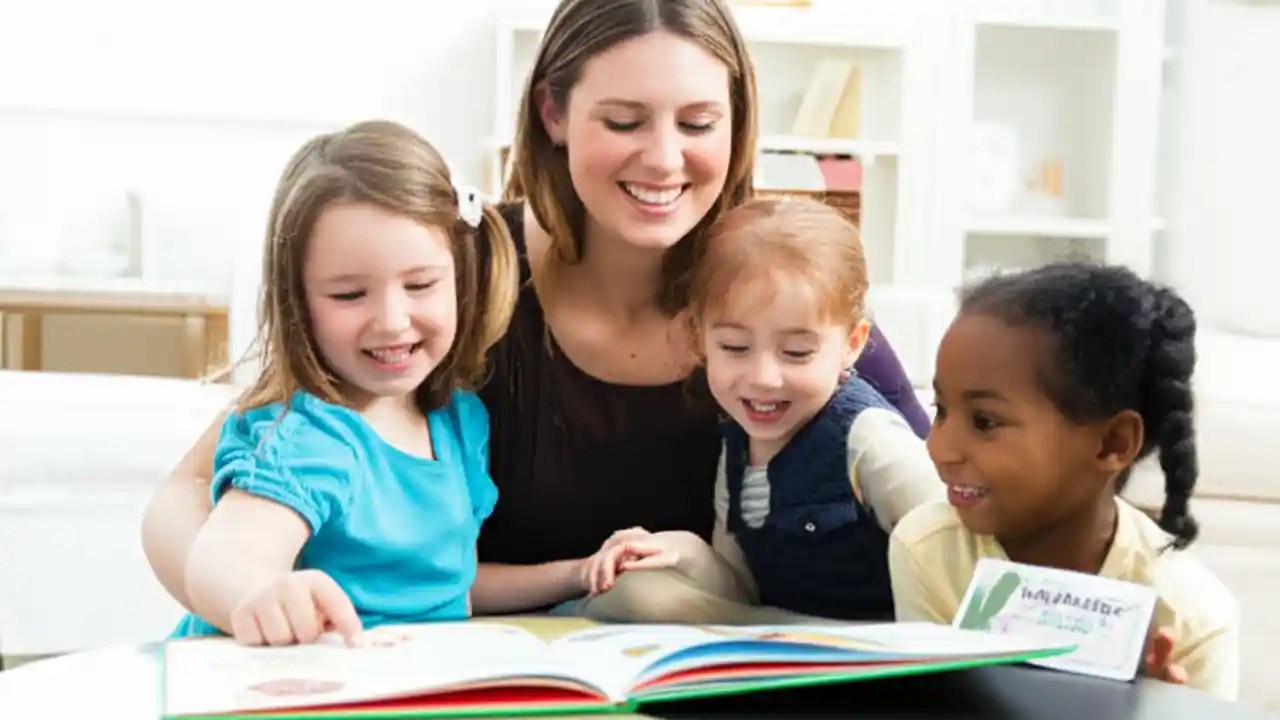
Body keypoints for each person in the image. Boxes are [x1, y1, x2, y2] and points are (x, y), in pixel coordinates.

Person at [141, 0, 930, 618]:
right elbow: (191, 492)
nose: (663, 158)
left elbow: (938, 496)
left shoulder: (778, 287)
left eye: (697, 123)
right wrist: (245, 604)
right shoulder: (457, 276)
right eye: (623, 121)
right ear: (553, 114)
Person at [168, 119, 520, 645]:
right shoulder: (308, 432)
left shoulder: (459, 421)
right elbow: (227, 553)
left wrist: (578, 574)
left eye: (420, 284)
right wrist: (258, 593)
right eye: (349, 295)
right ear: (299, 303)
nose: (392, 320)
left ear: (460, 279)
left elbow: (453, 589)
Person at [578, 198, 943, 622]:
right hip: (776, 643)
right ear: (701, 337)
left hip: (878, 652)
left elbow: (947, 545)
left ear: (852, 344)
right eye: (734, 348)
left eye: (797, 352)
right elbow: (741, 587)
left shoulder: (867, 439)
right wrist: (684, 551)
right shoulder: (737, 443)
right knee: (634, 593)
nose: (764, 378)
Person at [887, 263, 1239, 700]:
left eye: (985, 421)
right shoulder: (929, 552)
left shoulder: (1193, 619)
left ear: (1112, 443)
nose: (939, 448)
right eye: (940, 409)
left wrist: (1157, 708)